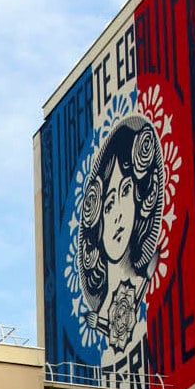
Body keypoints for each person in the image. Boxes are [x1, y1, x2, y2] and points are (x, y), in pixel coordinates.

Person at [77, 115, 164, 357]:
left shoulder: (144, 282)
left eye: (126, 190)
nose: (118, 215)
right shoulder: (104, 306)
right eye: (108, 204)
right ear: (97, 224)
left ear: (139, 196)